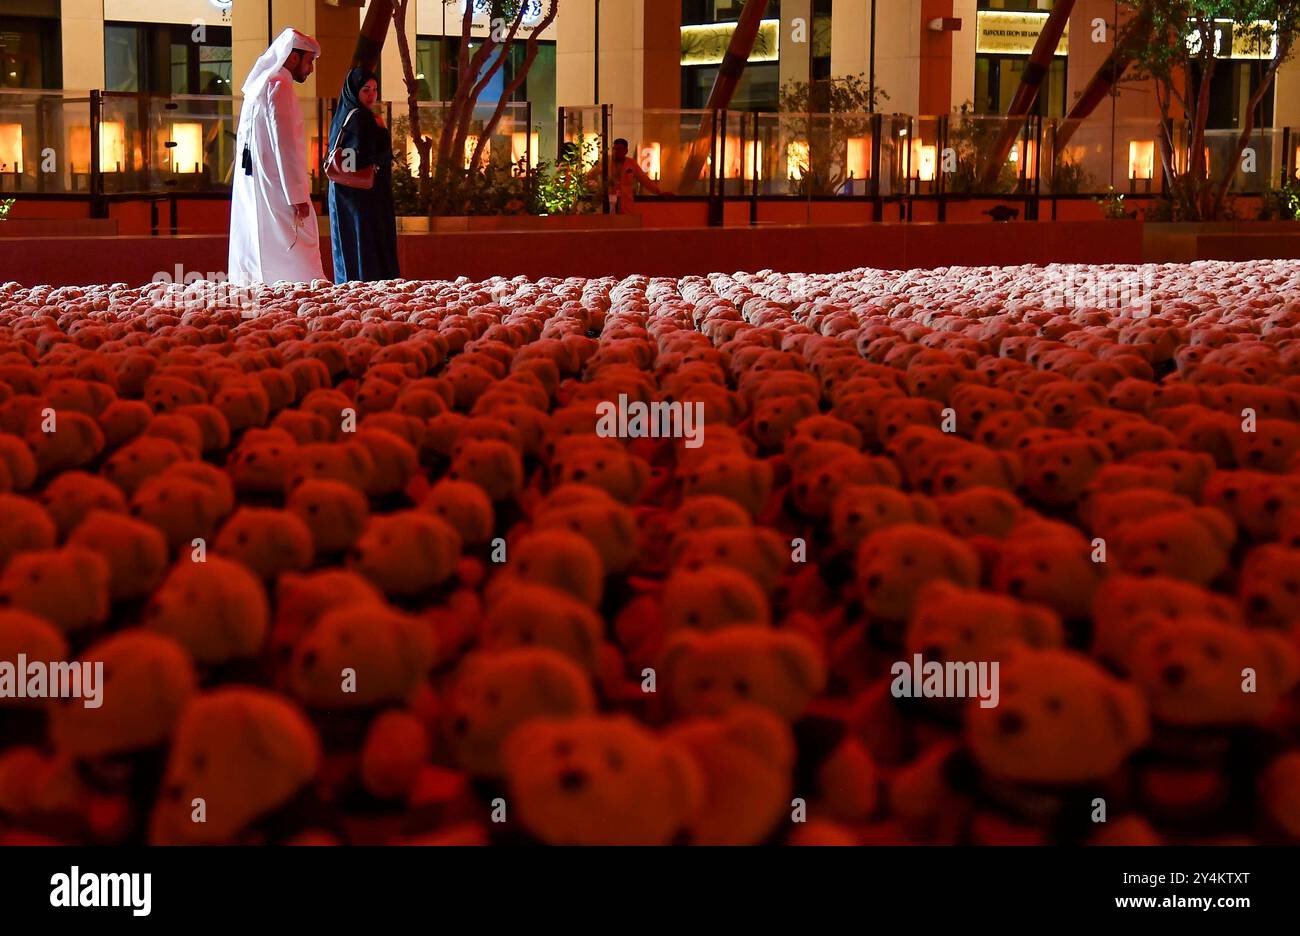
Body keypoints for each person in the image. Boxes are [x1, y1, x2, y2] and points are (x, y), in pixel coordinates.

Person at [228, 28, 324, 286]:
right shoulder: (278, 86)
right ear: (293, 58)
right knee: (292, 249)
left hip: (258, 184)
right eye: (309, 61)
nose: (310, 69)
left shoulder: (262, 86)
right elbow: (286, 145)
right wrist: (298, 197)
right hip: (276, 188)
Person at [327, 68, 400, 283]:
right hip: (365, 198)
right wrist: (380, 130)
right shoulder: (363, 119)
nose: (371, 95)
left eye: (375, 89)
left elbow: (346, 159)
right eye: (366, 89)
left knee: (349, 247)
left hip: (344, 194)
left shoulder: (342, 115)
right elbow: (367, 157)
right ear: (355, 91)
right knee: (368, 246)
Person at [587, 137, 665, 215]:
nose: (616, 152)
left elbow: (645, 180)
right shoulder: (606, 161)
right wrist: (596, 187)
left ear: (626, 151)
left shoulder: (631, 163)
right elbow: (590, 175)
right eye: (614, 149)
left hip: (626, 203)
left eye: (619, 149)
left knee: (625, 223)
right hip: (608, 202)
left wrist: (659, 192)